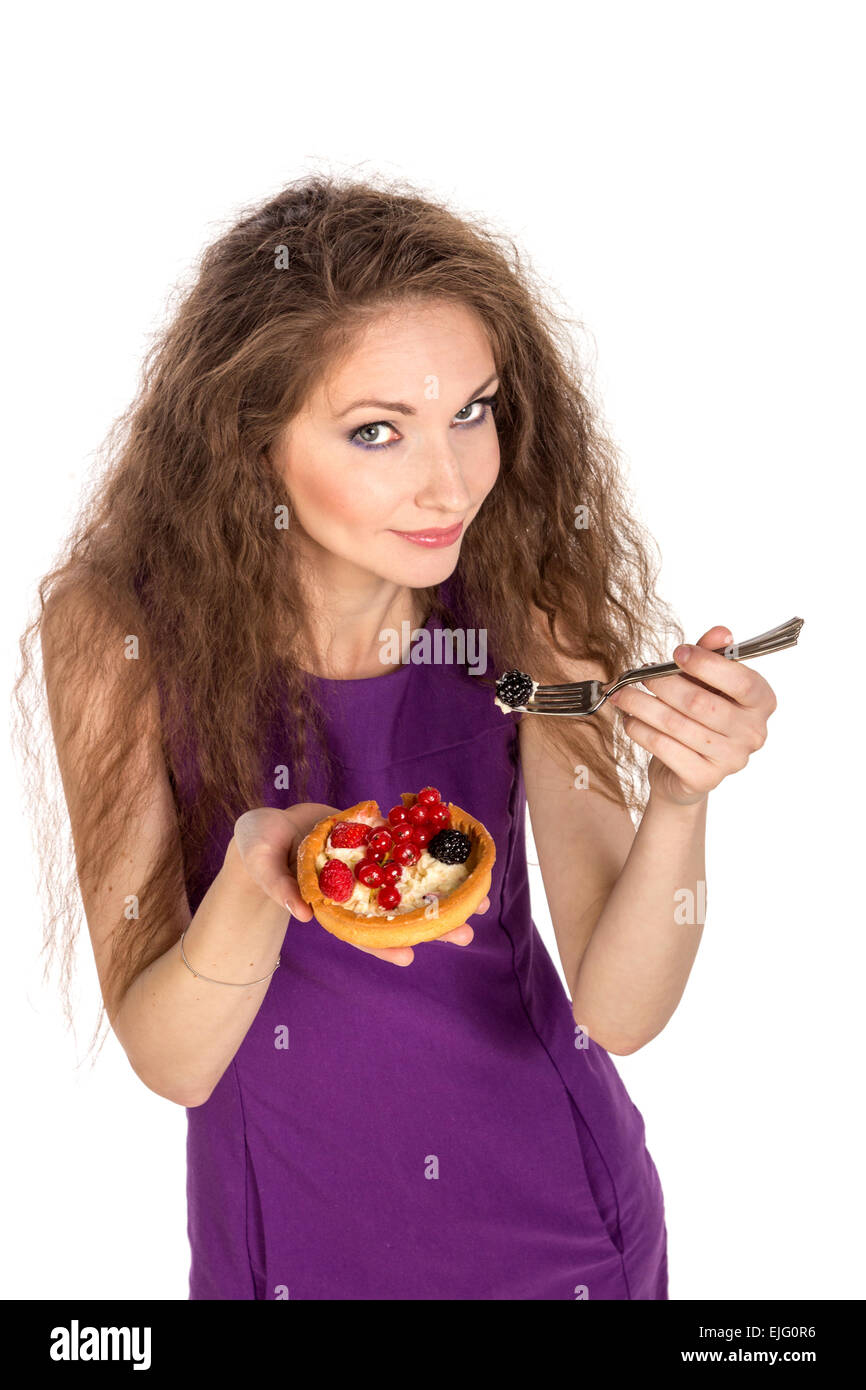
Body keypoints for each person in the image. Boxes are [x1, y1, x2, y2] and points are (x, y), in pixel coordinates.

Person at [19, 174, 778, 1300]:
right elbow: (173, 1059)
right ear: (248, 442)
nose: (451, 480)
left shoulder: (525, 596)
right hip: (285, 1250)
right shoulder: (114, 628)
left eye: (470, 411)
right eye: (377, 430)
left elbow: (617, 1012)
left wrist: (679, 796)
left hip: (559, 1230)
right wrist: (258, 870)